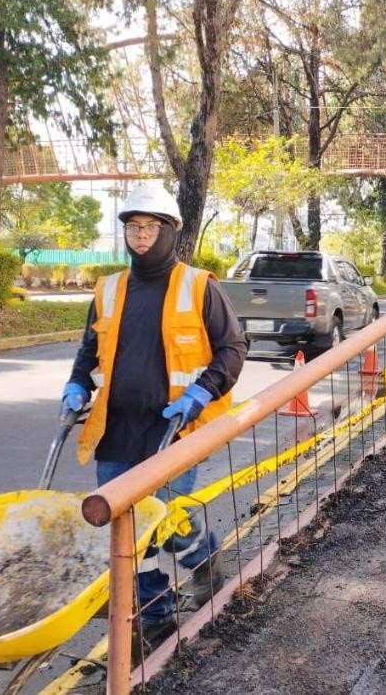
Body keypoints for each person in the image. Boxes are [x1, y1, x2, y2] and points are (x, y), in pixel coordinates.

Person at [60, 184, 248, 646]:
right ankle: (156, 614)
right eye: (132, 228)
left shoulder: (199, 285)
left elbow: (234, 348)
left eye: (150, 227)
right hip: (116, 430)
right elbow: (90, 351)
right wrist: (77, 383)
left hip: (175, 429)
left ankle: (203, 561)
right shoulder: (108, 289)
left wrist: (202, 393)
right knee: (127, 534)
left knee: (165, 523)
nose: (140, 237)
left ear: (170, 232)